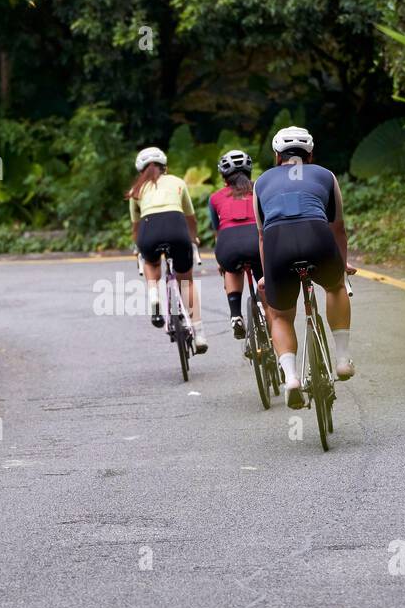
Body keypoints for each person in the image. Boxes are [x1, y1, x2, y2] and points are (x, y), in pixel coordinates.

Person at [252, 126, 355, 408]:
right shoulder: (325, 175)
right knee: (335, 288)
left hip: (277, 244)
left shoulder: (260, 182)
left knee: (281, 315)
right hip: (317, 236)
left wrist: (266, 276)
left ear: (277, 155)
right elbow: (338, 227)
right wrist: (341, 267)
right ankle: (343, 360)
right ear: (310, 154)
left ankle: (292, 377)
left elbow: (262, 235)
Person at [128, 146, 207, 352]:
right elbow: (190, 218)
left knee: (151, 263)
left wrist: (139, 248)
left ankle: (153, 294)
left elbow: (136, 227)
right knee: (186, 282)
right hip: (176, 227)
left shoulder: (136, 190)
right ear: (166, 167)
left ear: (140, 171)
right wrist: (193, 238)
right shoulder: (178, 182)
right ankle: (199, 334)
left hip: (148, 228)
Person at [207, 149, 262, 341]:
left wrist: (222, 261)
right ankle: (265, 306)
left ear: (224, 177)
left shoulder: (215, 198)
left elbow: (217, 231)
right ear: (249, 172)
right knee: (263, 270)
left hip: (227, 244)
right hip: (256, 241)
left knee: (231, 269)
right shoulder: (259, 189)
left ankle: (236, 314)